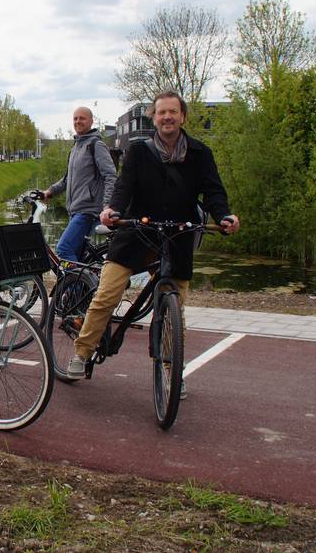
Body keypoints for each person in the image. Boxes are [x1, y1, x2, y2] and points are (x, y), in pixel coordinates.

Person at [65, 91, 240, 391]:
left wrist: (224, 215)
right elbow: (124, 186)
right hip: (137, 231)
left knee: (174, 310)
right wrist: (112, 210)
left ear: (183, 116)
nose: (168, 117)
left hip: (178, 235)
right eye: (162, 113)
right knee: (107, 294)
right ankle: (82, 352)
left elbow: (213, 192)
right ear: (154, 118)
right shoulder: (138, 152)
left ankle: (173, 372)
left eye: (173, 112)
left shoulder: (200, 153)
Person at [42, 106, 118, 262]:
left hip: (88, 211)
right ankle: (84, 284)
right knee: (78, 256)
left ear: (91, 121)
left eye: (82, 118)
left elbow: (110, 176)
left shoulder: (96, 145)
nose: (78, 121)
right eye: (75, 119)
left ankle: (74, 285)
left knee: (64, 249)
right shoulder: (76, 147)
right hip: (75, 210)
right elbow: (67, 179)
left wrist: (106, 206)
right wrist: (49, 191)